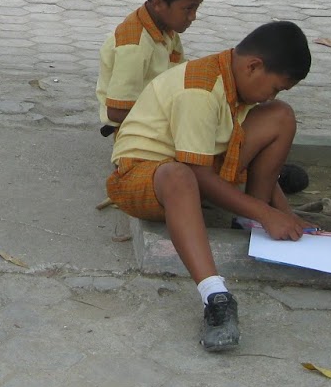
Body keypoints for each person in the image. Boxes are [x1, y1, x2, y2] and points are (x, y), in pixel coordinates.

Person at [104, 21, 314, 352]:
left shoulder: (234, 76)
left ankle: (250, 220)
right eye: (273, 88)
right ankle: (215, 296)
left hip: (192, 165)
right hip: (142, 177)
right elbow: (197, 173)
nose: (270, 97)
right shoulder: (199, 91)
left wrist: (283, 214)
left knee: (280, 117)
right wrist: (268, 212)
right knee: (181, 176)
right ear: (253, 66)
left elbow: (222, 149)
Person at [96, 0, 205, 131]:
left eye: (197, 7)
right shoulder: (134, 46)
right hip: (135, 130)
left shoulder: (167, 29)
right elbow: (116, 111)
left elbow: (179, 73)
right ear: (158, 3)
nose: (193, 16)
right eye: (188, 8)